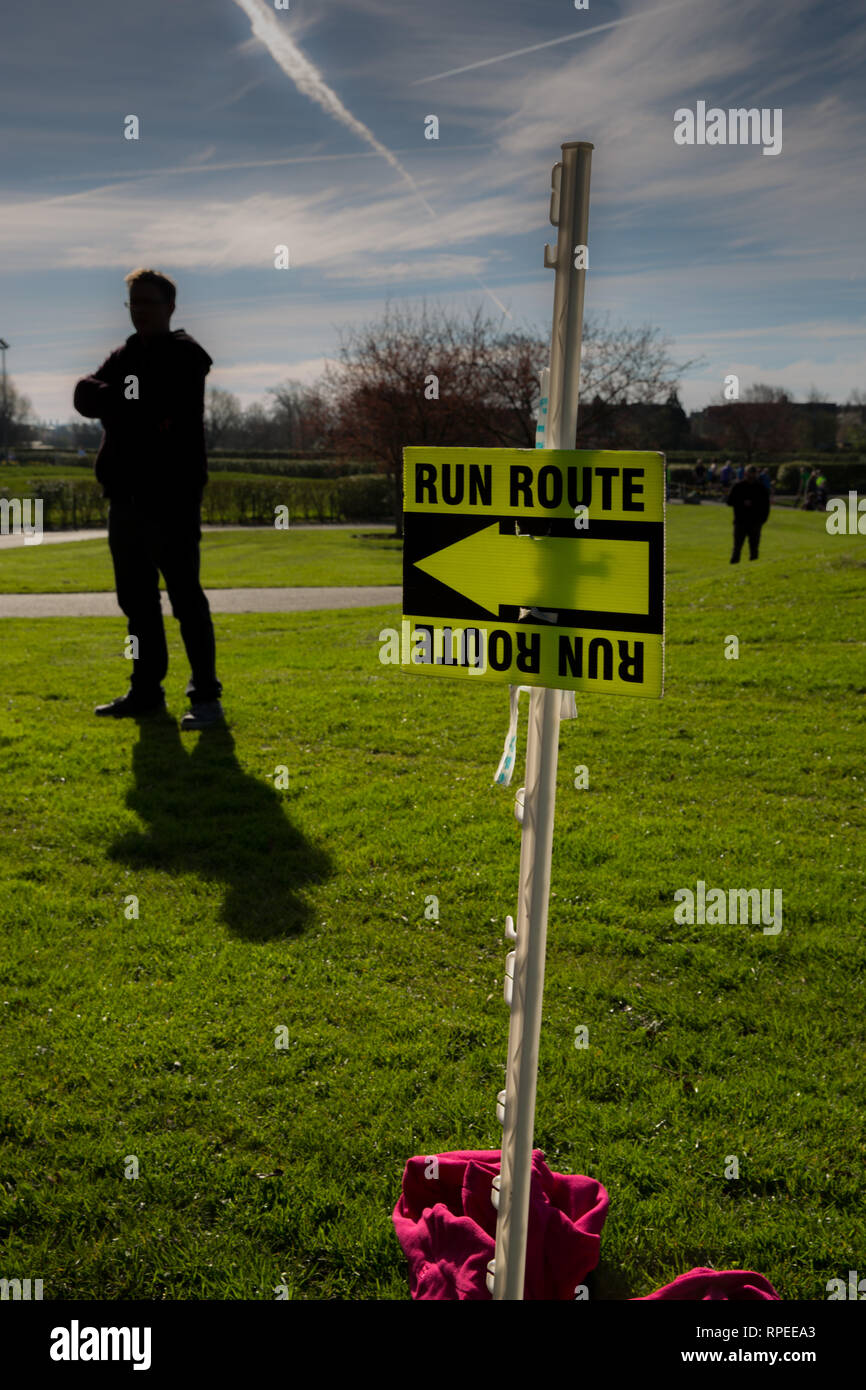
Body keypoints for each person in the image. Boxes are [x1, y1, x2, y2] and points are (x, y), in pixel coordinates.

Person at [73, 267, 223, 728]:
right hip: (126, 499)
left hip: (171, 498)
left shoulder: (186, 354)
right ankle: (145, 690)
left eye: (147, 302)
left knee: (184, 598)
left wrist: (118, 403)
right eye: (132, 303)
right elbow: (83, 393)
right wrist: (128, 404)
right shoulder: (126, 353)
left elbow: (156, 404)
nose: (138, 311)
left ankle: (205, 698)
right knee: (136, 601)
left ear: (170, 306)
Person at [726, 464, 771, 562]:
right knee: (737, 547)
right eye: (750, 474)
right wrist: (742, 503)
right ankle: (734, 565)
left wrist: (763, 519)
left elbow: (766, 505)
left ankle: (752, 567)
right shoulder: (738, 486)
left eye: (753, 474)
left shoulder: (761, 488)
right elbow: (729, 501)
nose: (751, 476)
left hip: (755, 521)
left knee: (754, 548)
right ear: (746, 474)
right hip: (741, 520)